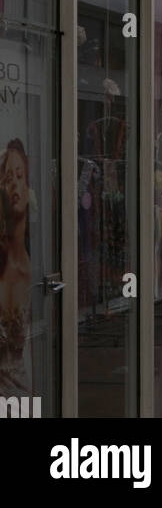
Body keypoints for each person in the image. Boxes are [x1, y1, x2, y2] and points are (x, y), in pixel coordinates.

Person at [0, 139, 32, 397]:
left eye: (19, 176)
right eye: (7, 177)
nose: (13, 183)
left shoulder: (29, 264)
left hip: (21, 394)